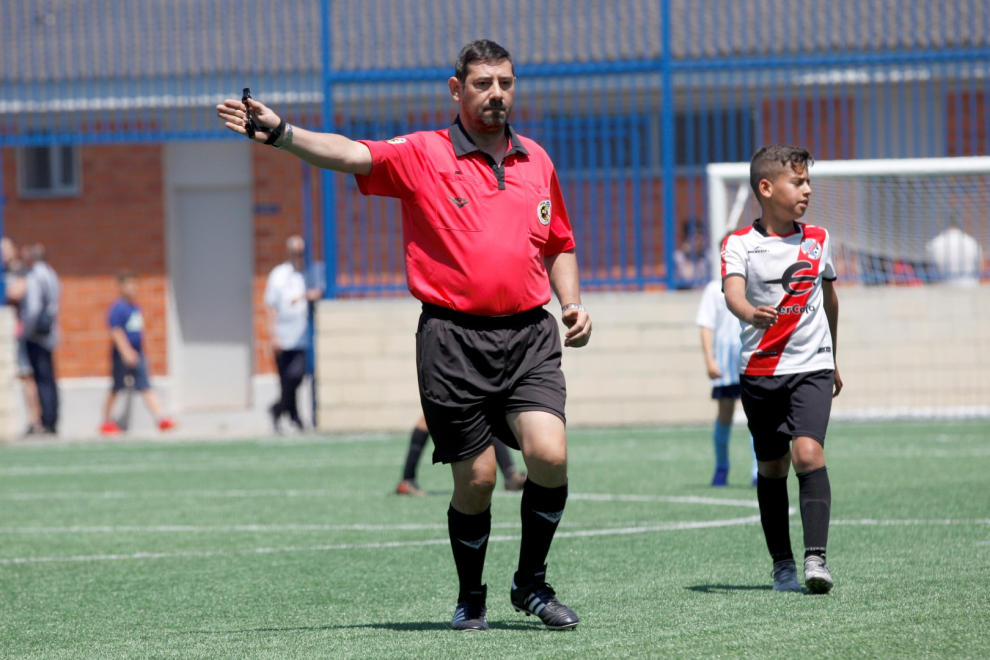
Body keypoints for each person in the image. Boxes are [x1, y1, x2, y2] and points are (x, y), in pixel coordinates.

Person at [218, 39, 593, 631]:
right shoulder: (423, 153)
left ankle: (532, 585)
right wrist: (282, 132)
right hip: (452, 339)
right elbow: (348, 154)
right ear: (456, 89)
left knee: (549, 454)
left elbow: (559, 243)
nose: (496, 94)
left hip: (529, 335)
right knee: (477, 480)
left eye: (506, 82)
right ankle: (472, 596)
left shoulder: (537, 160)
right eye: (482, 83)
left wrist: (571, 303)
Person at [721, 145, 841, 595]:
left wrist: (835, 358)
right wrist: (750, 313)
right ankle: (782, 564)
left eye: (809, 180)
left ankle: (816, 560)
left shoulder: (819, 239)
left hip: (813, 366)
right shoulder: (739, 245)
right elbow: (732, 295)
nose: (807, 189)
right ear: (767, 188)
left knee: (808, 454)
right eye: (798, 181)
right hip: (760, 372)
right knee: (772, 468)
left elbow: (830, 300)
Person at [695, 269, 758, 488]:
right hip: (725, 364)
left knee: (757, 417)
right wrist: (709, 360)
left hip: (751, 361)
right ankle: (721, 467)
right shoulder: (714, 289)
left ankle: (757, 471)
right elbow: (706, 325)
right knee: (724, 414)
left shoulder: (753, 286)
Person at [99, 271, 176, 435]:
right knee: (117, 387)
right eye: (128, 284)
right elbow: (116, 331)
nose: (132, 288)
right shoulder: (117, 308)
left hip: (139, 353)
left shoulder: (135, 306)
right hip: (123, 355)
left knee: (146, 386)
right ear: (121, 286)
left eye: (134, 284)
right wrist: (126, 351)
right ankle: (105, 421)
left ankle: (161, 418)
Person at [264, 235, 323, 433]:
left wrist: (308, 295)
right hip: (283, 335)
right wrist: (273, 335)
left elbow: (320, 291)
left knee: (296, 376)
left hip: (303, 337)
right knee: (286, 381)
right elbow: (271, 307)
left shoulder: (310, 273)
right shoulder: (279, 275)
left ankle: (276, 409)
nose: (299, 257)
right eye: (296, 253)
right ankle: (294, 418)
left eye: (302, 253)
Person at [396, 415, 528, 496]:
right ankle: (407, 479)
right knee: (427, 418)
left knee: (484, 413)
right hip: (444, 371)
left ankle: (510, 475)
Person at [1, 238, 43, 435]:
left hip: (15, 331)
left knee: (26, 375)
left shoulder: (20, 271)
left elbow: (17, 292)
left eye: (6, 249)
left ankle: (35, 421)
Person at [20, 244, 61, 435]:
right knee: (50, 378)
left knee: (41, 378)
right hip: (50, 331)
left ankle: (46, 421)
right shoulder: (52, 273)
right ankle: (52, 419)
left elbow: (33, 308)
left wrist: (25, 330)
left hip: (37, 334)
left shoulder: (34, 275)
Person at [925, 222, 984, 287]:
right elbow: (980, 269)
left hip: (943, 288)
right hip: (969, 287)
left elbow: (932, 271)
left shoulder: (933, 244)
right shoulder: (972, 242)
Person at [673, 217, 709, 289]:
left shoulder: (708, 256)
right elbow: (686, 278)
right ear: (686, 239)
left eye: (700, 237)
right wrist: (688, 257)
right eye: (694, 238)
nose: (697, 242)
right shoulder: (678, 257)